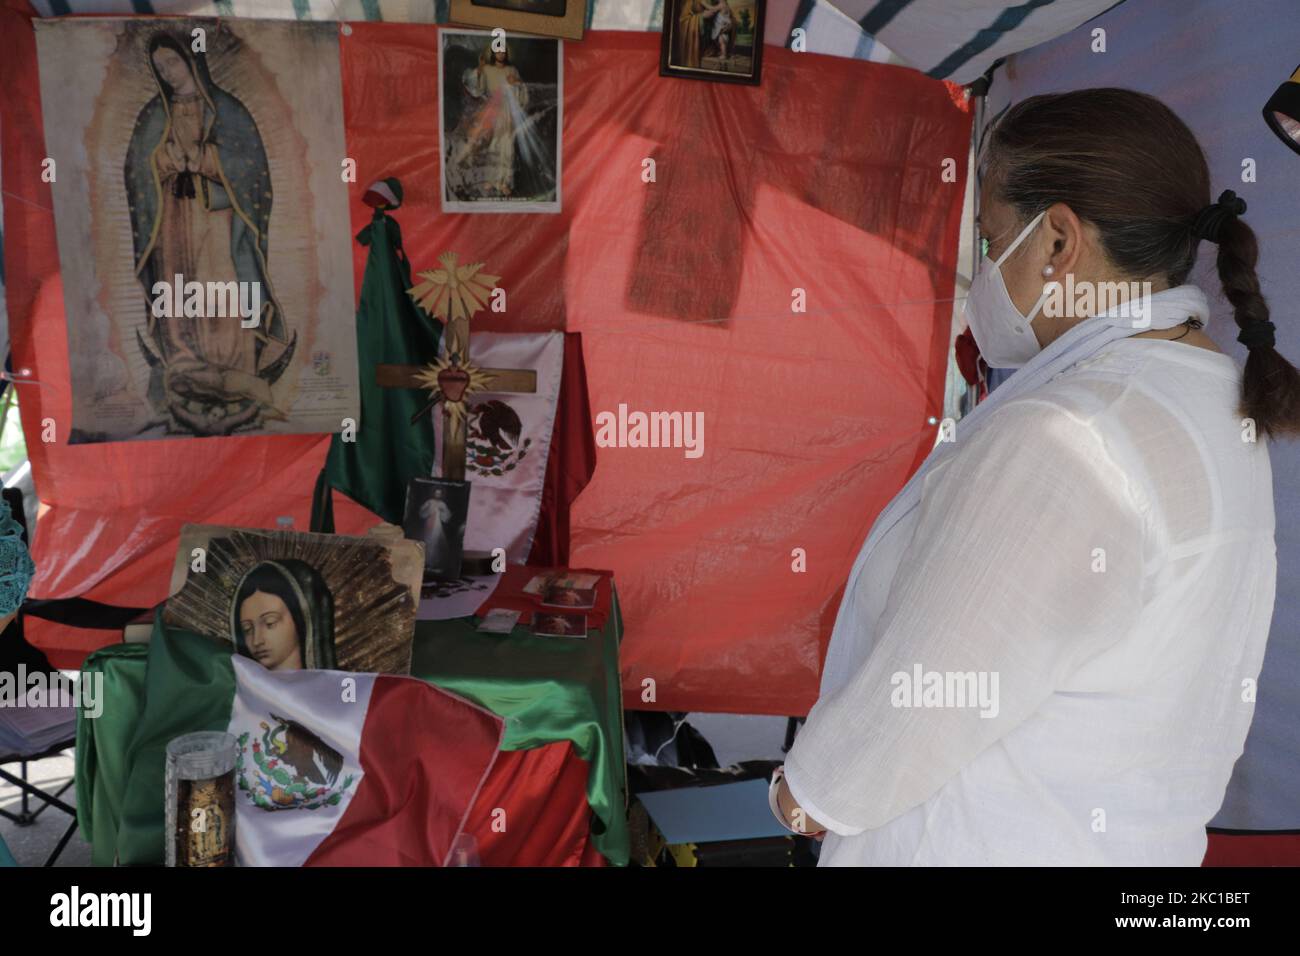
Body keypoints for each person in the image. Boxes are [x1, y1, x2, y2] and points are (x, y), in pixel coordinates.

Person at [773, 88, 1299, 866]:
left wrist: (799, 799)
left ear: (1058, 241)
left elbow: (916, 709)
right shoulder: (1214, 400)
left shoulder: (1064, 435)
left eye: (989, 242)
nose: (982, 270)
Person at [125, 33, 291, 435]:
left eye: (174, 64)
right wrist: (163, 159)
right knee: (180, 288)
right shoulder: (154, 114)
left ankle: (233, 367)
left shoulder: (227, 110)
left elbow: (252, 170)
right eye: (161, 68)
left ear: (192, 61)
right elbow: (136, 169)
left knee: (222, 285)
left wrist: (203, 158)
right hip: (171, 221)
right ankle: (184, 365)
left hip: (217, 219)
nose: (168, 73)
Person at [449, 45, 529, 198]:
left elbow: (522, 94)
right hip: (491, 110)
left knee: (506, 145)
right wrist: (479, 69)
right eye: (498, 51)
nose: (501, 54)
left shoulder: (512, 70)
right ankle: (491, 179)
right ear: (493, 53)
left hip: (507, 111)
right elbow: (476, 89)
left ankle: (504, 182)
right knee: (490, 143)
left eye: (503, 51)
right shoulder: (487, 69)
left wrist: (517, 83)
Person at [231, 560, 336, 671]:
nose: (256, 641)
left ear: (300, 620)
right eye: (247, 630)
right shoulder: (238, 687)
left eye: (269, 623)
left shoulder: (340, 687)